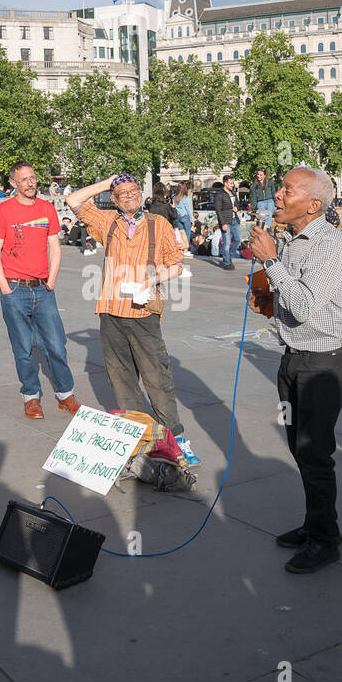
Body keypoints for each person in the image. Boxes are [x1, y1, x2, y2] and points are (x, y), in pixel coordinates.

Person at [247, 168, 342, 574]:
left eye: (286, 190)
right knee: (300, 448)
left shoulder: (330, 244)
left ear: (313, 205)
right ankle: (316, 523)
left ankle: (325, 541)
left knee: (314, 452)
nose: (276, 195)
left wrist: (271, 262)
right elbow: (289, 300)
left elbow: (306, 305)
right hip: (294, 356)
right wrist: (267, 295)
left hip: (323, 362)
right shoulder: (293, 239)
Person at [67, 173, 198, 465]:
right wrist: (107, 182)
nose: (129, 196)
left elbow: (176, 265)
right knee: (120, 379)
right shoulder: (106, 222)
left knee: (157, 377)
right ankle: (138, 437)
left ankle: (177, 440)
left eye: (134, 191)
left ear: (141, 194)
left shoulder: (158, 223)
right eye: (122, 193)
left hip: (143, 312)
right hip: (110, 310)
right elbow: (72, 200)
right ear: (113, 199)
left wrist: (150, 280)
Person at [0, 161, 80, 419]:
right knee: (24, 348)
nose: (30, 183)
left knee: (56, 344)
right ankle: (31, 396)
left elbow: (56, 247)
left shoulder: (47, 208)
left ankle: (65, 395)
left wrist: (52, 279)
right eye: (24, 179)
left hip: (43, 289)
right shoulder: (4, 211)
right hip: (14, 289)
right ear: (14, 184)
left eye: (32, 178)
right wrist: (5, 288)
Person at [212, 178, 240, 270]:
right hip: (225, 220)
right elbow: (218, 210)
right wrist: (222, 223)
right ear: (225, 183)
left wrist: (236, 207)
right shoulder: (219, 195)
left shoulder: (233, 193)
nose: (232, 185)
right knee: (226, 243)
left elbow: (237, 203)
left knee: (237, 240)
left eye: (233, 183)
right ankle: (227, 262)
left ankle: (228, 255)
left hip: (234, 220)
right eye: (231, 183)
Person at [174, 183, 195, 253]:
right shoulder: (186, 198)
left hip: (178, 217)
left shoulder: (175, 198)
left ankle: (181, 247)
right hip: (185, 216)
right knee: (187, 233)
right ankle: (186, 249)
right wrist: (192, 219)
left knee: (181, 233)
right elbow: (189, 209)